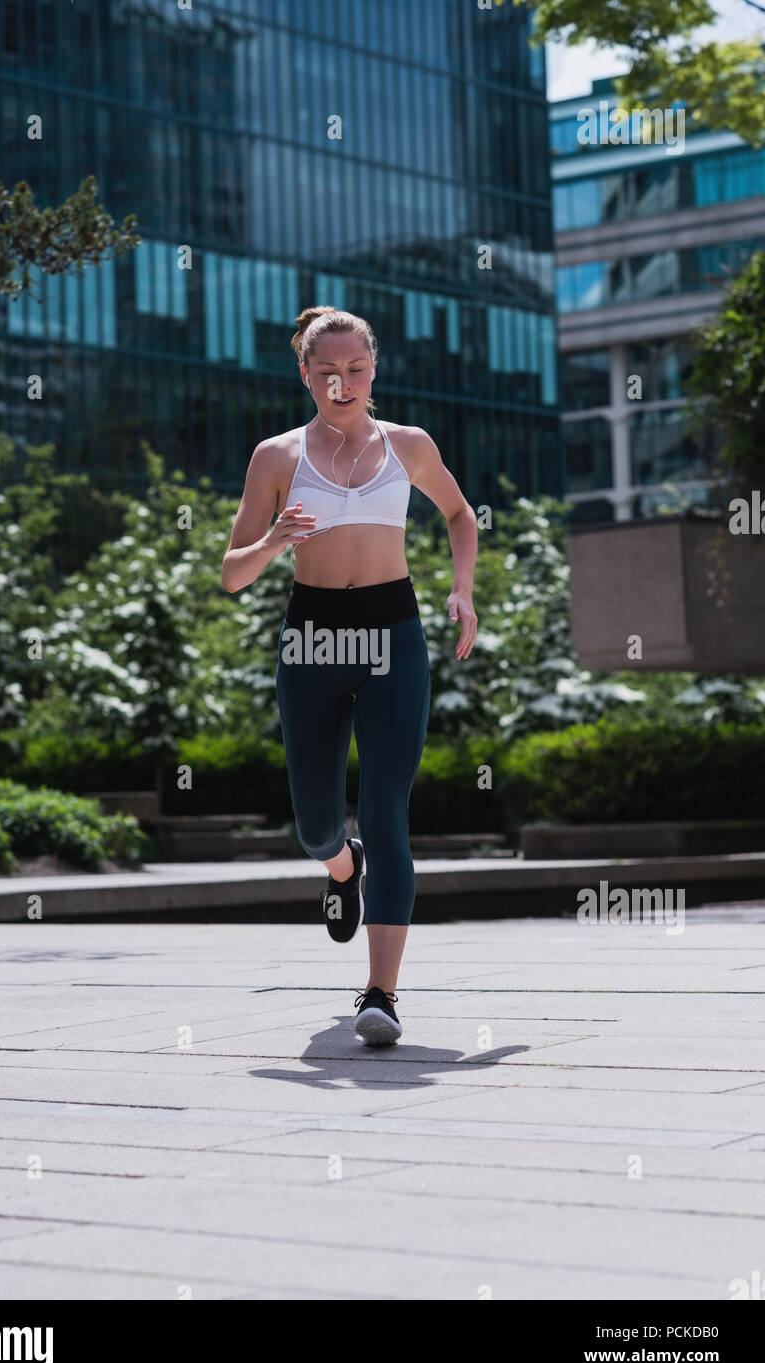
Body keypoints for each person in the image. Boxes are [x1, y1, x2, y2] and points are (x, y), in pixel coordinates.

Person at [222, 306, 477, 1045]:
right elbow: (232, 576)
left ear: (374, 370)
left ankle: (381, 993)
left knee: (388, 809)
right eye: (325, 372)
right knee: (314, 825)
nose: (341, 384)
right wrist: (272, 541)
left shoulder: (409, 446)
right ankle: (341, 869)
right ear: (304, 374)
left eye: (354, 370)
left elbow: (460, 516)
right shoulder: (277, 455)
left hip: (393, 633)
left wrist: (460, 590)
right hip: (312, 638)